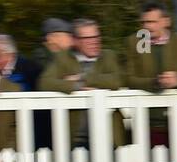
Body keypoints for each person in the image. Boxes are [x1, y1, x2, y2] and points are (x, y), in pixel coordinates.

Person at [38, 18, 123, 148]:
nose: (94, 42)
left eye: (96, 36)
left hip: (108, 134)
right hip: (76, 134)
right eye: (87, 38)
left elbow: (117, 80)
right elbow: (45, 82)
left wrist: (83, 78)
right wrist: (76, 86)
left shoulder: (108, 56)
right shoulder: (63, 58)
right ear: (75, 40)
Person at [123, 0, 177, 147]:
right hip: (146, 121)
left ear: (166, 21)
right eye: (144, 22)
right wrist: (154, 82)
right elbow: (127, 78)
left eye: (152, 22)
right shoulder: (135, 42)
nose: (147, 27)